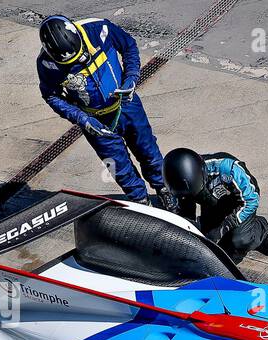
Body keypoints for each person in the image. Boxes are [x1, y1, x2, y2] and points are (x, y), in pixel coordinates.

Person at [37, 15, 174, 208]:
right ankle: (140, 202)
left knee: (148, 150)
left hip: (127, 105)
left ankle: (165, 189)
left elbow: (128, 47)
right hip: (96, 123)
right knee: (117, 166)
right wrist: (82, 119)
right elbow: (51, 96)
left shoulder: (99, 29)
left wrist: (132, 78)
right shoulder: (46, 64)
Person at [162, 148, 268, 263]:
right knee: (209, 243)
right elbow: (186, 212)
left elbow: (251, 200)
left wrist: (226, 226)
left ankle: (260, 228)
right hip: (211, 200)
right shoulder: (177, 179)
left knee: (239, 240)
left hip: (241, 201)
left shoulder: (228, 169)